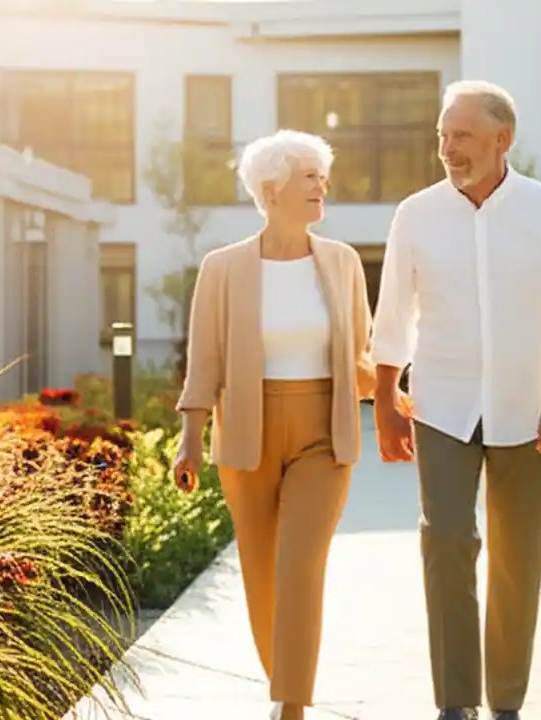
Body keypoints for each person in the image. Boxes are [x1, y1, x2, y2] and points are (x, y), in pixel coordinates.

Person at [370, 80, 541, 720]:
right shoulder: (415, 214)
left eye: (463, 136)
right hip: (443, 404)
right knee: (445, 538)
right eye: (443, 136)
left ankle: (504, 702)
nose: (448, 149)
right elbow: (391, 317)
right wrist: (386, 403)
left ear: (502, 140)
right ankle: (456, 704)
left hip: (529, 408)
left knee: (517, 557)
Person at [171, 129, 377, 720]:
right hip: (247, 431)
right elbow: (205, 361)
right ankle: (284, 679)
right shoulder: (223, 268)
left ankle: (290, 705)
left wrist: (392, 394)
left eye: (321, 175)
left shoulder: (341, 263)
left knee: (299, 566)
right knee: (262, 575)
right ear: (271, 190)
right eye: (309, 176)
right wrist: (189, 441)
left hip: (322, 434)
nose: (322, 186)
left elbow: (360, 354)